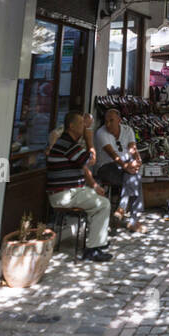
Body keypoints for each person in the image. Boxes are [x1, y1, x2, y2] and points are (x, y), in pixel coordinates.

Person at [45, 111, 113, 262]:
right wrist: (89, 140)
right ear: (71, 126)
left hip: (69, 191)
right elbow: (90, 160)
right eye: (82, 124)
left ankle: (97, 241)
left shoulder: (67, 143)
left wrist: (94, 186)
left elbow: (83, 166)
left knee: (98, 199)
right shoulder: (68, 144)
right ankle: (93, 250)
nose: (84, 127)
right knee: (103, 204)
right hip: (64, 194)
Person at [95, 108, 146, 234]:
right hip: (106, 168)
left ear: (119, 120)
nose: (108, 124)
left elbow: (132, 148)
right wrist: (126, 166)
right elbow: (112, 154)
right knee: (134, 178)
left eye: (111, 121)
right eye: (106, 121)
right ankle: (132, 218)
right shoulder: (101, 133)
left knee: (134, 176)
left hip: (123, 167)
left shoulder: (127, 130)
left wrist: (137, 160)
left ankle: (122, 210)